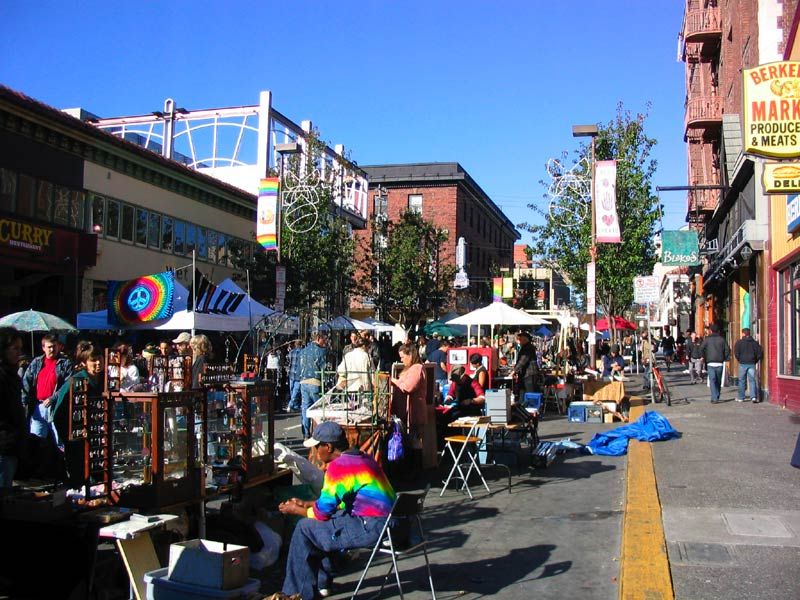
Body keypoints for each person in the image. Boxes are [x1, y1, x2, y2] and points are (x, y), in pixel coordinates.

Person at [279, 421, 395, 600]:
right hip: (394, 523)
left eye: (317, 447)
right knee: (327, 524)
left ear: (328, 447)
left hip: (374, 526)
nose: (315, 452)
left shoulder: (339, 467)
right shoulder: (364, 457)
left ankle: (295, 593)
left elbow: (321, 514)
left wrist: (295, 509)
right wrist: (307, 504)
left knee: (304, 528)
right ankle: (323, 583)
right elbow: (338, 502)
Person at [52, 341, 105, 450]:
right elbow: (58, 414)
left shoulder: (106, 381)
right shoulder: (76, 382)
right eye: (93, 360)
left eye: (100, 358)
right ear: (84, 363)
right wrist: (69, 439)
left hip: (100, 439)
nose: (98, 362)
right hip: (79, 442)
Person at [22, 333, 72, 444]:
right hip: (38, 407)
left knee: (59, 442)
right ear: (43, 348)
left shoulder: (65, 363)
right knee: (36, 441)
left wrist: (53, 398)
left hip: (56, 407)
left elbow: (67, 385)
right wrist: (24, 402)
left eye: (54, 346)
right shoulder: (36, 362)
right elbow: (26, 382)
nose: (52, 349)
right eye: (49, 347)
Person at [389, 343, 428, 460]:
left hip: (414, 413)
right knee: (409, 441)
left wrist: (394, 381)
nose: (401, 360)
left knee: (414, 441)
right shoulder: (410, 368)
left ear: (410, 355)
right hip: (406, 413)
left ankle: (414, 467)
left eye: (402, 357)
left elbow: (408, 387)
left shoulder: (417, 368)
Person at [0, 328, 25, 488]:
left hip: (12, 443)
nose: (19, 353)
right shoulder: (3, 375)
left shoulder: (12, 374)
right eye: (15, 348)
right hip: (4, 443)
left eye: (20, 348)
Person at [298, 332, 329, 439]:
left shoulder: (303, 351)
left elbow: (299, 367)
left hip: (303, 381)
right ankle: (318, 432)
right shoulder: (321, 351)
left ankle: (306, 432)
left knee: (305, 408)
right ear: (319, 338)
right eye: (324, 340)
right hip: (315, 381)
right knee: (318, 408)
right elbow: (324, 367)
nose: (325, 342)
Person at [700, 323, 731, 404]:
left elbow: (701, 348)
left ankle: (714, 397)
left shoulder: (707, 339)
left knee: (712, 380)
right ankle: (716, 395)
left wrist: (703, 356)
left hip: (710, 362)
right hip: (720, 363)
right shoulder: (722, 339)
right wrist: (725, 358)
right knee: (718, 380)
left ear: (711, 331)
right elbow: (727, 350)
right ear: (718, 331)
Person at [734, 328, 763, 403]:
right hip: (752, 363)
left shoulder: (739, 343)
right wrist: (755, 361)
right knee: (752, 380)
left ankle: (741, 397)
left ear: (743, 334)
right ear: (749, 334)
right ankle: (753, 397)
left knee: (741, 380)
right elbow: (759, 353)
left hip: (742, 363)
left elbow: (736, 353)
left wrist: (739, 359)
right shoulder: (755, 343)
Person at [512, 331, 538, 399]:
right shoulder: (525, 347)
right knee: (524, 391)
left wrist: (515, 370)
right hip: (526, 373)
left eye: (521, 339)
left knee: (530, 393)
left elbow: (523, 360)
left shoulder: (528, 347)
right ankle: (523, 403)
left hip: (529, 373)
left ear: (525, 339)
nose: (519, 340)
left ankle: (530, 405)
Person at [286, 339, 304, 412]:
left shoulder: (291, 352)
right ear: (301, 344)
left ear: (295, 344)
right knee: (295, 391)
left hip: (291, 373)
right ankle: (293, 405)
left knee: (292, 390)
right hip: (299, 374)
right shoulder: (303, 352)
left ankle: (291, 405)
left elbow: (288, 361)